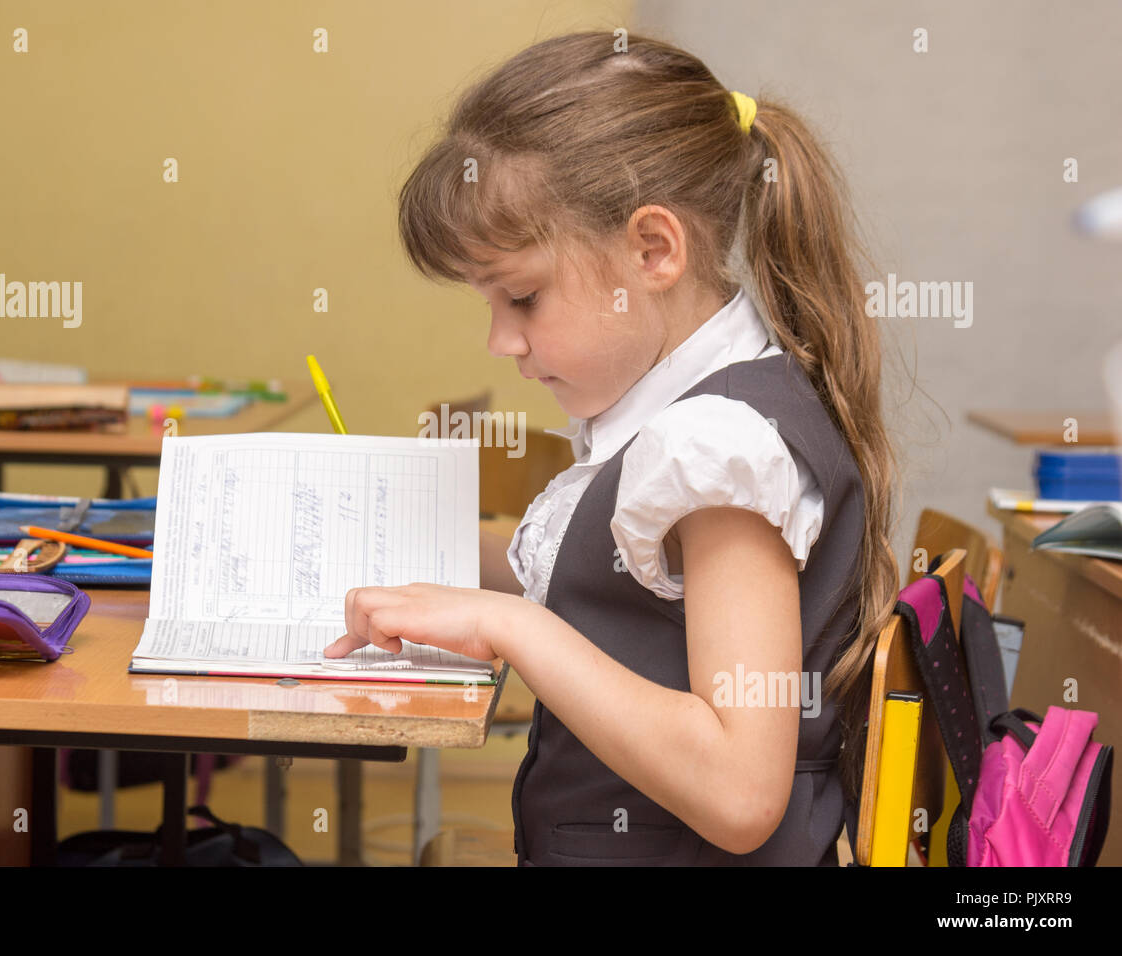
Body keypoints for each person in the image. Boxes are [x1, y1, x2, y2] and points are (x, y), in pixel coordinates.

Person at [324, 31, 901, 865]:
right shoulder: (677, 412)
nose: (500, 341)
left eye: (522, 297)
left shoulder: (714, 449)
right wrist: (420, 547)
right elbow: (616, 592)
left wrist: (510, 625)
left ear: (655, 251)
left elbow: (741, 794)